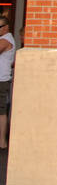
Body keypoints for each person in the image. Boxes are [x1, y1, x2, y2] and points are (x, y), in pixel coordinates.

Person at [0, 14, 15, 151]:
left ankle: (2, 142)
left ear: (6, 27)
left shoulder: (5, 40)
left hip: (1, 80)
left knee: (1, 111)